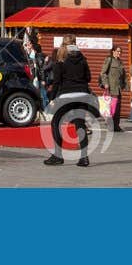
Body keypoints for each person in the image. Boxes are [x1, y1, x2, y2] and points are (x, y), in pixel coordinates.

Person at [42, 35, 94, 168]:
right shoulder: (83, 59)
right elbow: (88, 77)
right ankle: (84, 158)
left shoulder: (60, 60)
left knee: (56, 122)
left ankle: (58, 156)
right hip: (82, 94)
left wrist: (52, 98)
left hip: (66, 95)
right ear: (74, 44)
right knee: (80, 124)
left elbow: (57, 82)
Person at [99, 43, 126, 133]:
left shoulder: (120, 62)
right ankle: (111, 125)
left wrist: (125, 85)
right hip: (111, 88)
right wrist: (105, 83)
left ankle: (116, 126)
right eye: (118, 51)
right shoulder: (109, 60)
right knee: (111, 108)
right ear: (113, 51)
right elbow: (103, 73)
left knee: (117, 108)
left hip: (118, 88)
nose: (119, 53)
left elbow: (123, 75)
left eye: (120, 52)